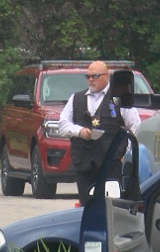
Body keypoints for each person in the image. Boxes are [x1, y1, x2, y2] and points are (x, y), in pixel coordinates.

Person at [58, 61, 141, 204]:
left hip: (111, 165)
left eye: (94, 76)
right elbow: (62, 125)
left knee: (111, 207)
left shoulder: (119, 98)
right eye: (88, 76)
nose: (90, 79)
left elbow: (136, 127)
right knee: (86, 206)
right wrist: (79, 131)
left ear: (106, 76)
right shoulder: (76, 98)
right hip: (83, 164)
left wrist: (124, 154)